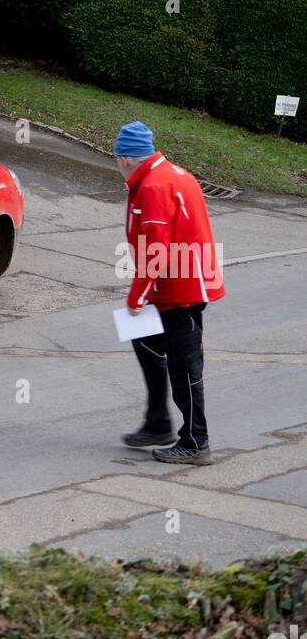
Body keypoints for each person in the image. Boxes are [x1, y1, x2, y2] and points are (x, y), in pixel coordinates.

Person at [114, 121, 224, 466]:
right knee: (145, 342)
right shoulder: (173, 174)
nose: (116, 163)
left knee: (185, 366)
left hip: (179, 290)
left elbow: (155, 249)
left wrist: (138, 296)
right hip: (180, 283)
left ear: (126, 158)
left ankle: (195, 442)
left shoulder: (154, 186)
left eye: (117, 157)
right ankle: (158, 422)